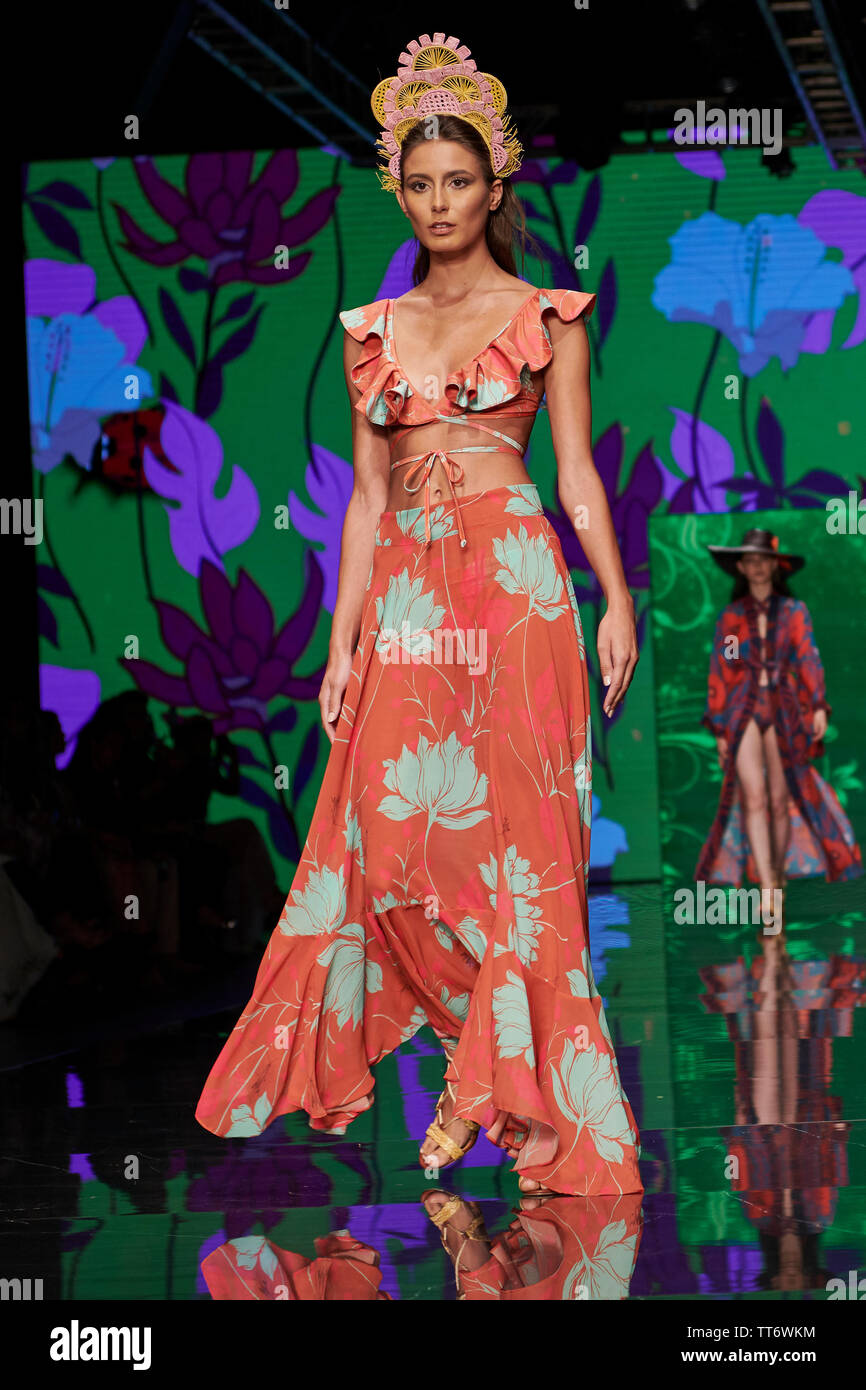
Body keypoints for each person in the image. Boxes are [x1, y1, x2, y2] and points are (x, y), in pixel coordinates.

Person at [195, 32, 644, 1202]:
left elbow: (578, 474)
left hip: (515, 587)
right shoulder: (365, 334)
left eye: (459, 181)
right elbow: (364, 500)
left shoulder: (548, 316)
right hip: (405, 589)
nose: (440, 201)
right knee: (391, 845)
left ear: (494, 188)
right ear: (395, 190)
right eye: (420, 182)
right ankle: (474, 1058)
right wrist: (341, 643)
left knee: (526, 858)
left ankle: (505, 1098)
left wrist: (613, 597)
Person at [696, 528, 862, 910]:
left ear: (776, 565)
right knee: (752, 795)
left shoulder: (793, 612)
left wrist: (818, 704)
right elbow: (723, 669)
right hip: (743, 709)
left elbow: (808, 657)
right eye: (750, 561)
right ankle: (768, 884)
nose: (757, 567)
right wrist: (720, 727)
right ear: (740, 566)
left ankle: (777, 874)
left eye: (763, 560)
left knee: (778, 796)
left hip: (784, 709)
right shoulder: (732, 618)